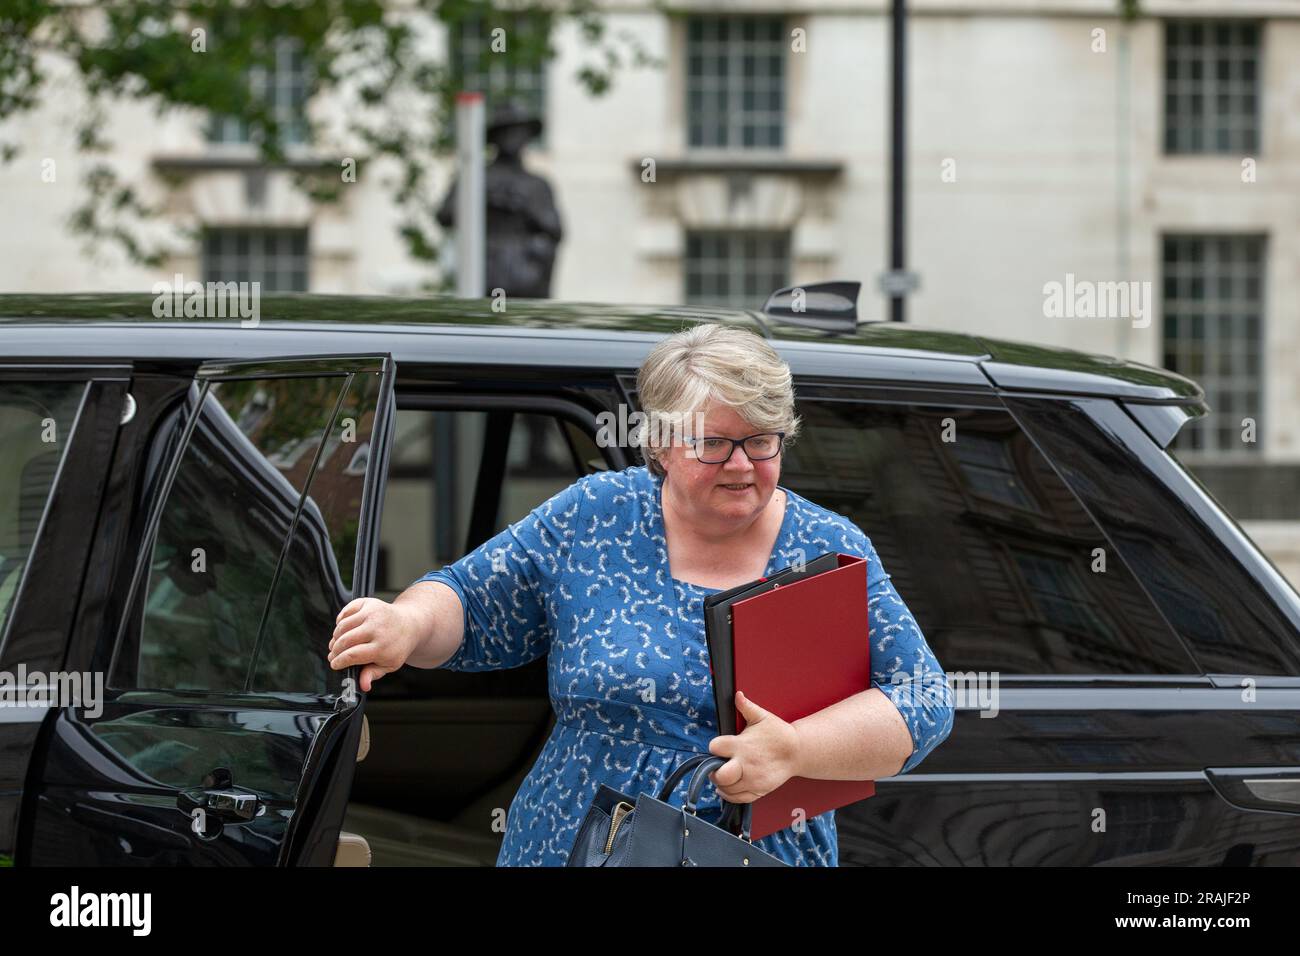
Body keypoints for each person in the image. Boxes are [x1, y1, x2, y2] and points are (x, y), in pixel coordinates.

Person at [328, 323, 955, 866]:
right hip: (571, 842)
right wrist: (405, 623)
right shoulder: (596, 513)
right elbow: (471, 598)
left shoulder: (827, 547)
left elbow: (922, 699)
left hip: (753, 850)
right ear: (658, 441)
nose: (742, 465)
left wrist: (795, 750)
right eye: (713, 444)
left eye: (762, 441)